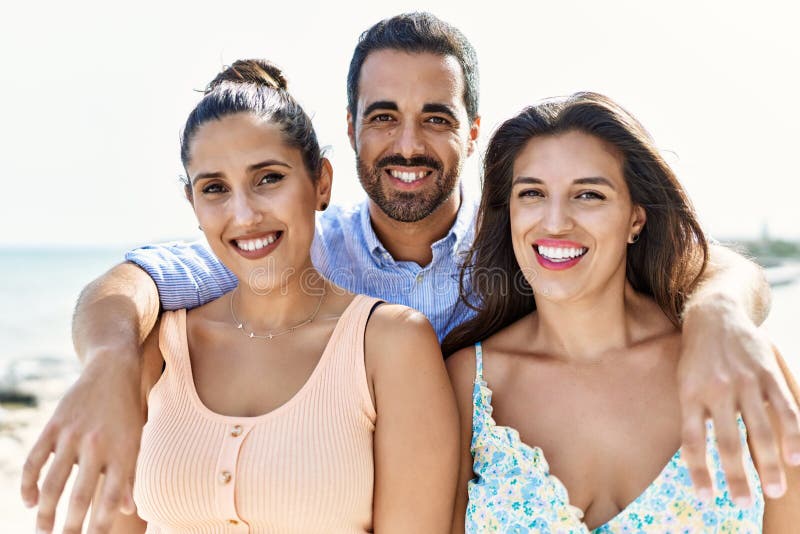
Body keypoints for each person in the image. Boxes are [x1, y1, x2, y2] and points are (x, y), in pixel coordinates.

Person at [21, 13, 800, 534]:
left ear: (472, 130)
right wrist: (109, 363)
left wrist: (723, 316)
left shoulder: (525, 252)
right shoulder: (290, 246)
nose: (407, 142)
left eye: (435, 116)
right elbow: (139, 277)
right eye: (384, 115)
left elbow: (707, 264)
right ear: (350, 134)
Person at [103, 59, 458, 532]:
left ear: (321, 183)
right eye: (214, 188)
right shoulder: (160, 346)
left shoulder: (392, 344)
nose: (244, 214)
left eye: (269, 178)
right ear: (193, 204)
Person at [444, 93, 800, 532]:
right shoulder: (470, 384)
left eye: (589, 194)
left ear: (635, 218)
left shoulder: (735, 361)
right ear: (510, 211)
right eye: (532, 193)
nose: (555, 221)